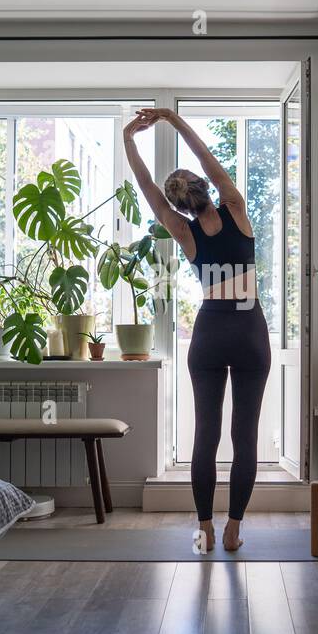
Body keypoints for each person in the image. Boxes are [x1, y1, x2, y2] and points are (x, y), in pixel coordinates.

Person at [123, 107, 270, 552]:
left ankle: (204, 528)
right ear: (206, 188)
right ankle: (233, 528)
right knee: (245, 436)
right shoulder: (236, 209)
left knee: (206, 434)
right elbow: (207, 158)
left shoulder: (183, 232)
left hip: (209, 334)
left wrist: (130, 137)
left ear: (179, 206)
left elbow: (148, 190)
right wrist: (172, 119)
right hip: (249, 330)